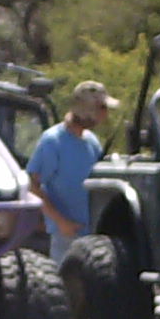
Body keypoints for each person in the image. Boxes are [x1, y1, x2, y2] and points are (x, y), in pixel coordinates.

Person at [26, 80, 117, 262]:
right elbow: (32, 185)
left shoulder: (91, 141)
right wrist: (61, 222)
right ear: (87, 110)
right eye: (101, 108)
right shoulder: (53, 141)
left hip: (92, 235)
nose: (105, 115)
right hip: (66, 235)